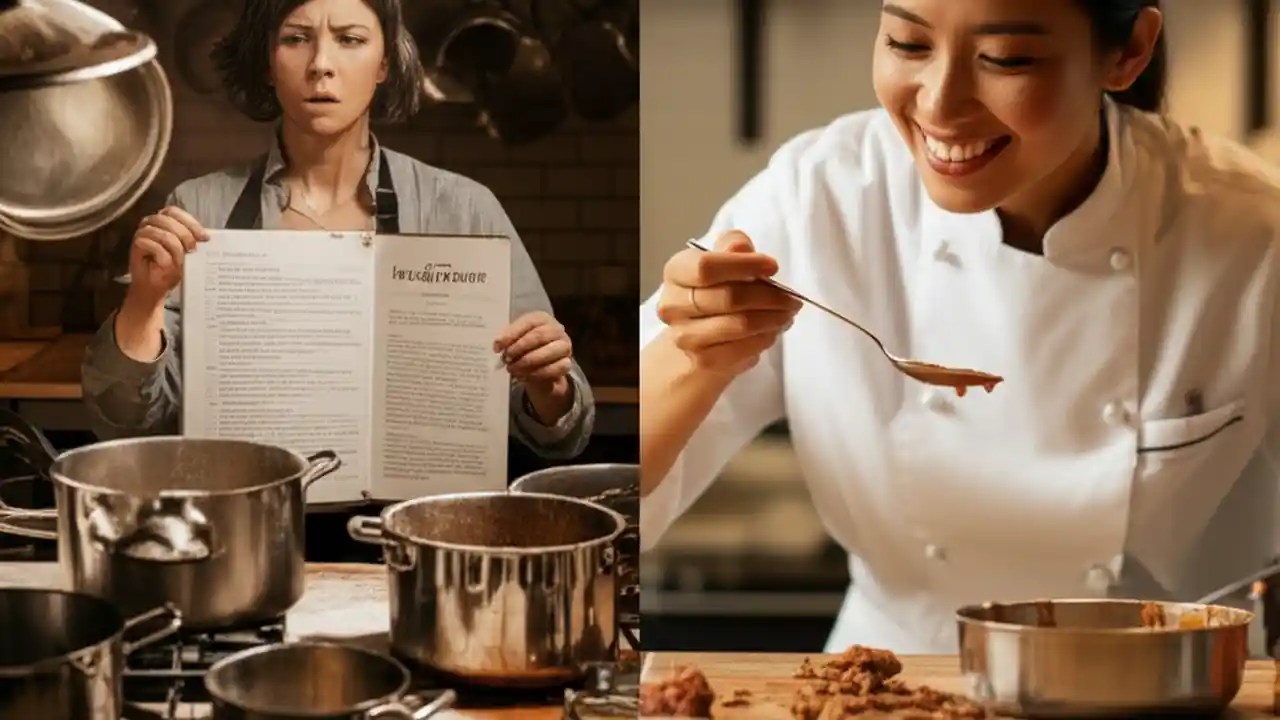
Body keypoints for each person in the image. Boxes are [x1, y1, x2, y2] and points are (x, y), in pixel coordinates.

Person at [640, 0, 1280, 654]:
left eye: (1006, 59)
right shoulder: (819, 199)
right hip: (895, 679)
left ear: (1128, 53)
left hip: (1171, 684)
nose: (941, 105)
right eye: (908, 44)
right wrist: (694, 355)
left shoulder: (1251, 233)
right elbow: (617, 498)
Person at [82, 0, 594, 463]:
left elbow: (563, 432)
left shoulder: (464, 210)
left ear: (384, 64)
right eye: (296, 38)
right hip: (248, 526)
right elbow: (124, 420)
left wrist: (548, 387)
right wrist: (144, 302)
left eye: (350, 39)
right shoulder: (199, 209)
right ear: (267, 62)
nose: (320, 65)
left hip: (415, 534)